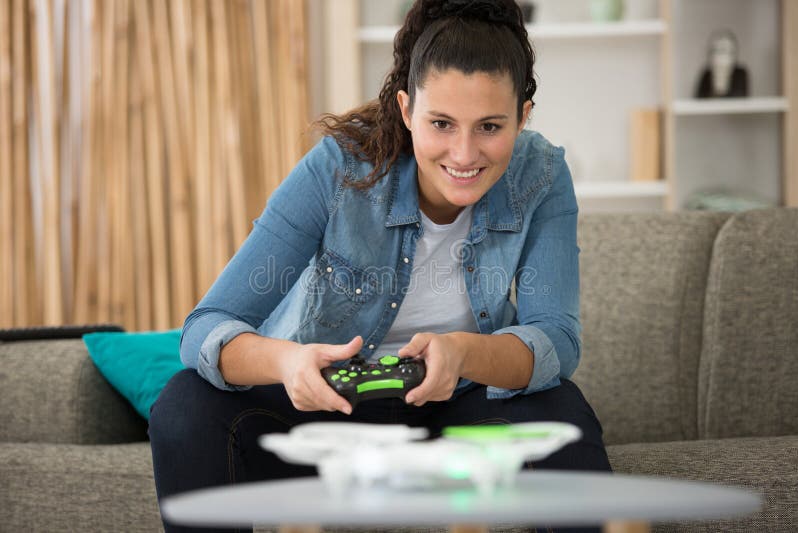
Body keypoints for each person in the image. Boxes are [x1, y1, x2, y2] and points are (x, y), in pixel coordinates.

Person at [149, 1, 612, 531]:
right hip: (327, 417)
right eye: (441, 123)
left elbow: (556, 339)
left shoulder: (542, 174)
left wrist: (462, 353)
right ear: (406, 109)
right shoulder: (339, 168)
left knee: (563, 412)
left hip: (456, 413)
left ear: (523, 117)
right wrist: (287, 364)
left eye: (489, 126)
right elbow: (205, 326)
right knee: (185, 406)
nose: (464, 154)